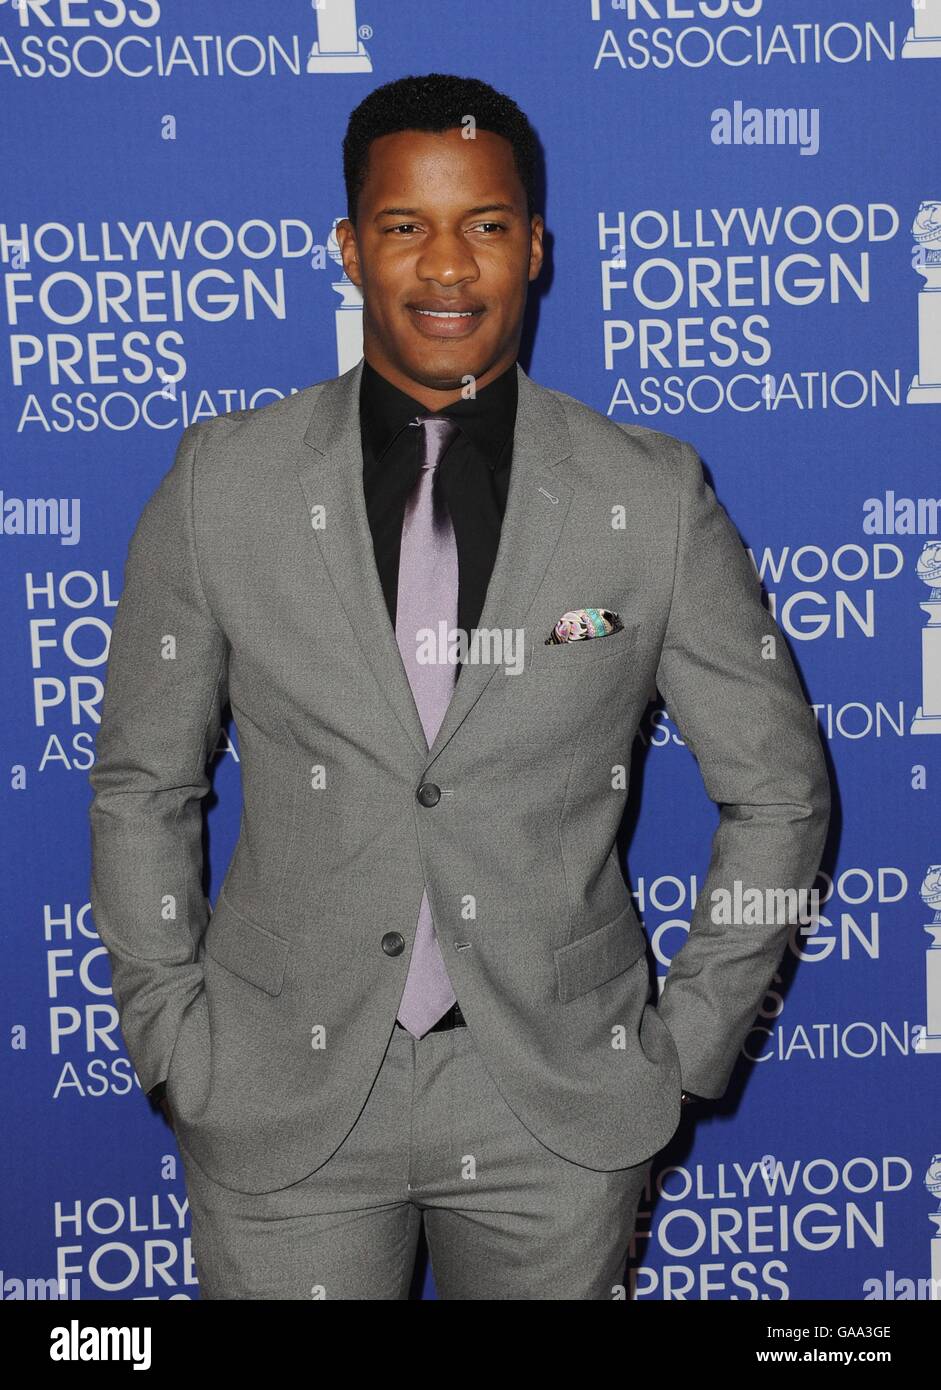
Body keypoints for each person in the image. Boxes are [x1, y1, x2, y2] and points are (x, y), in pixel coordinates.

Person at [88, 72, 830, 1300]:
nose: (446, 268)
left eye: (484, 224)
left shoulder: (644, 496)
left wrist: (686, 1048)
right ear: (347, 247)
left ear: (534, 248)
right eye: (403, 227)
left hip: (556, 1105)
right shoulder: (224, 483)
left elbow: (781, 796)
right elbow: (142, 785)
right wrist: (172, 1040)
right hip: (279, 1093)